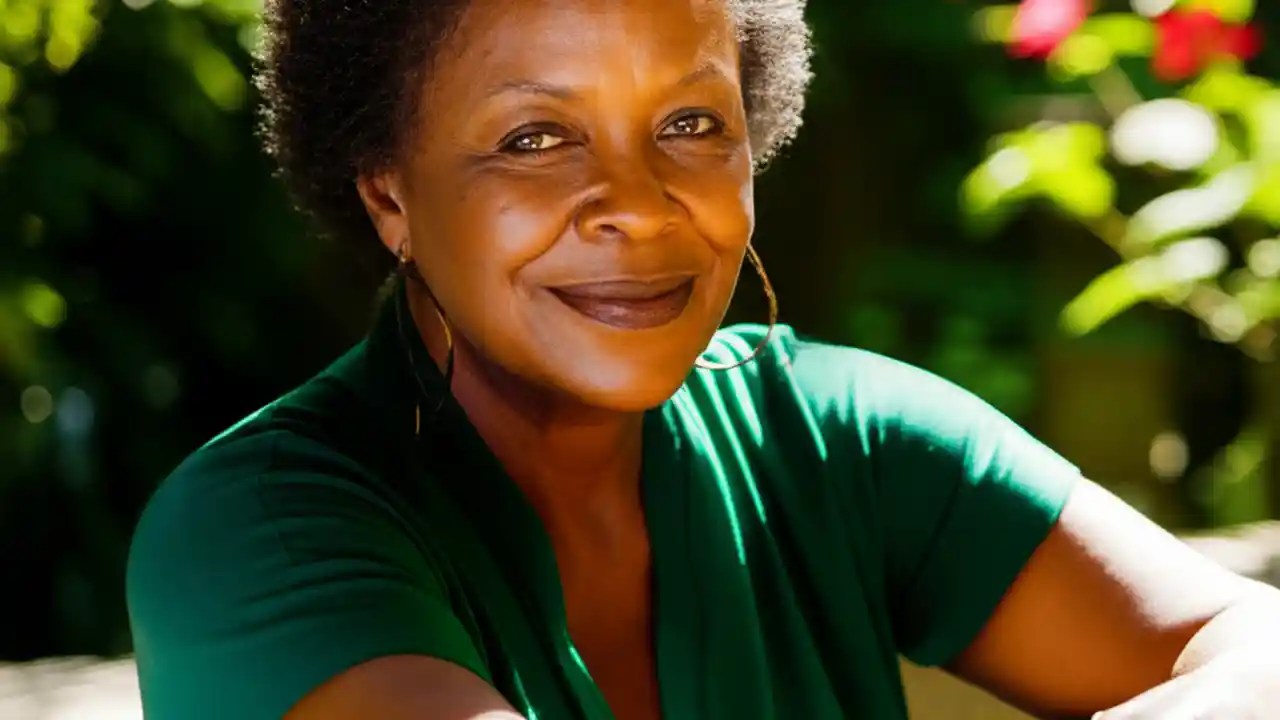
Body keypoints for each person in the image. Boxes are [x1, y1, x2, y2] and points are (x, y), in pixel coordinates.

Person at [124, 0, 1280, 718]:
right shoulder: (261, 534)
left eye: (689, 126)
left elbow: (1250, 650)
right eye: (536, 138)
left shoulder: (833, 437)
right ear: (389, 194)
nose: (638, 206)